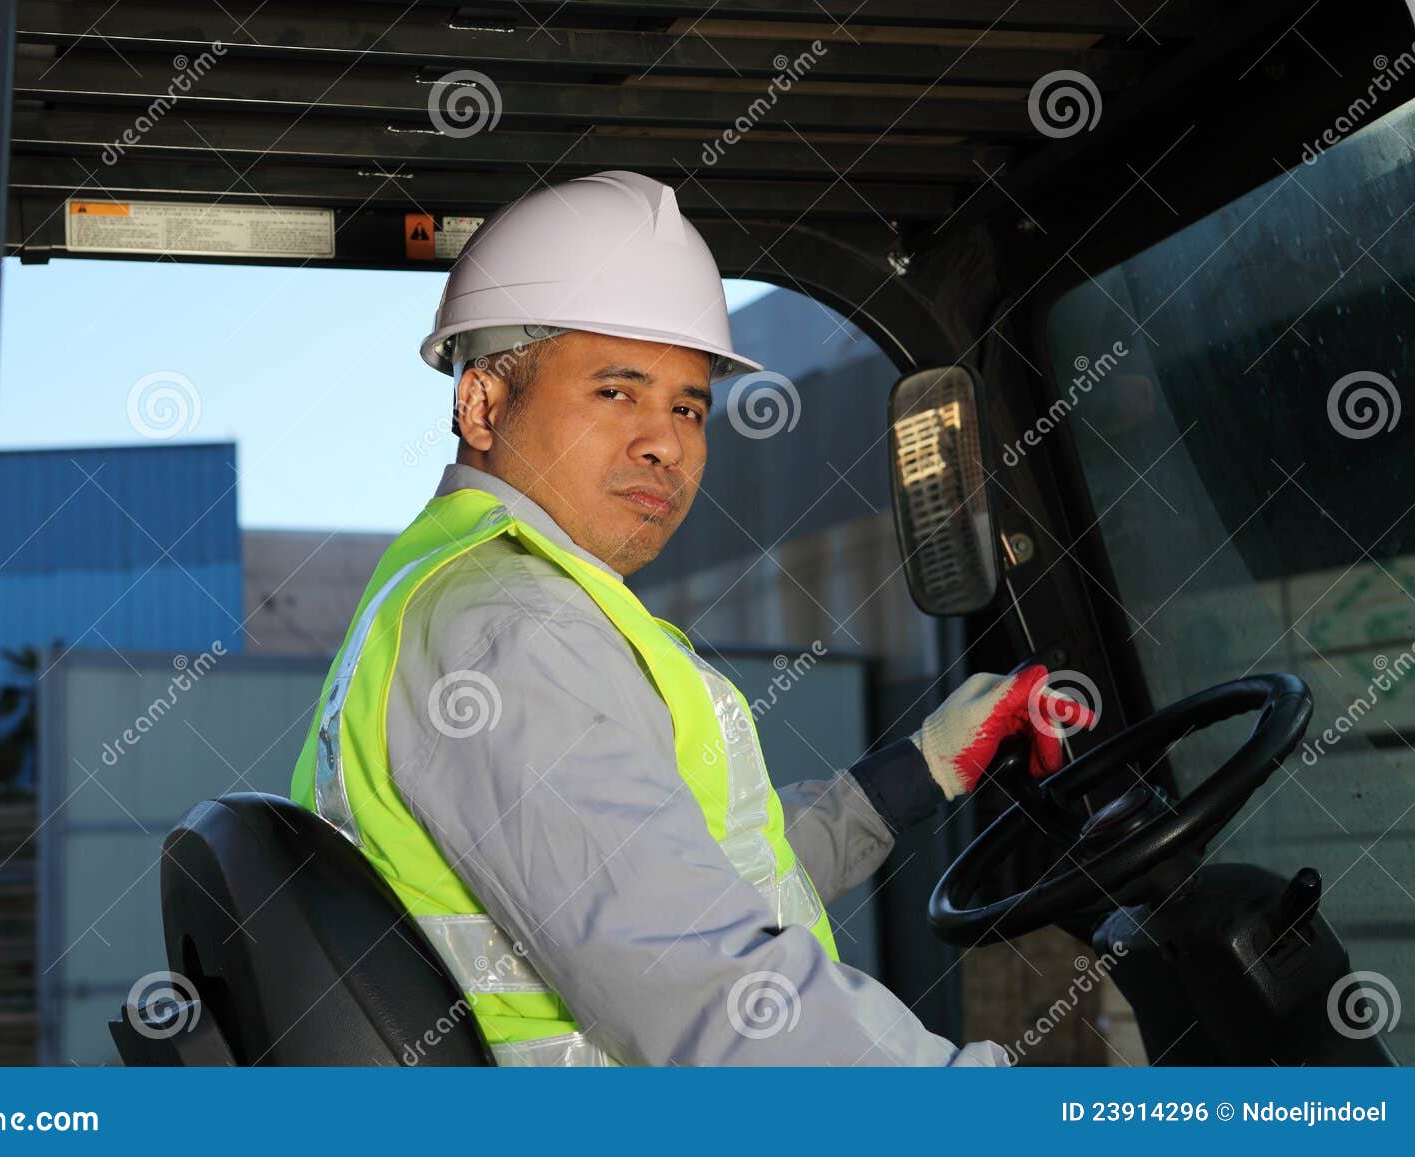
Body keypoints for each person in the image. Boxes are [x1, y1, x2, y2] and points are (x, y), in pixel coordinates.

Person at [290, 170, 1084, 1066]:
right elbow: (711, 988)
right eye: (615, 391)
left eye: (688, 406)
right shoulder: (514, 629)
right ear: (481, 403)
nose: (664, 440)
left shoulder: (479, 591)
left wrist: (915, 775)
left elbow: (698, 877)